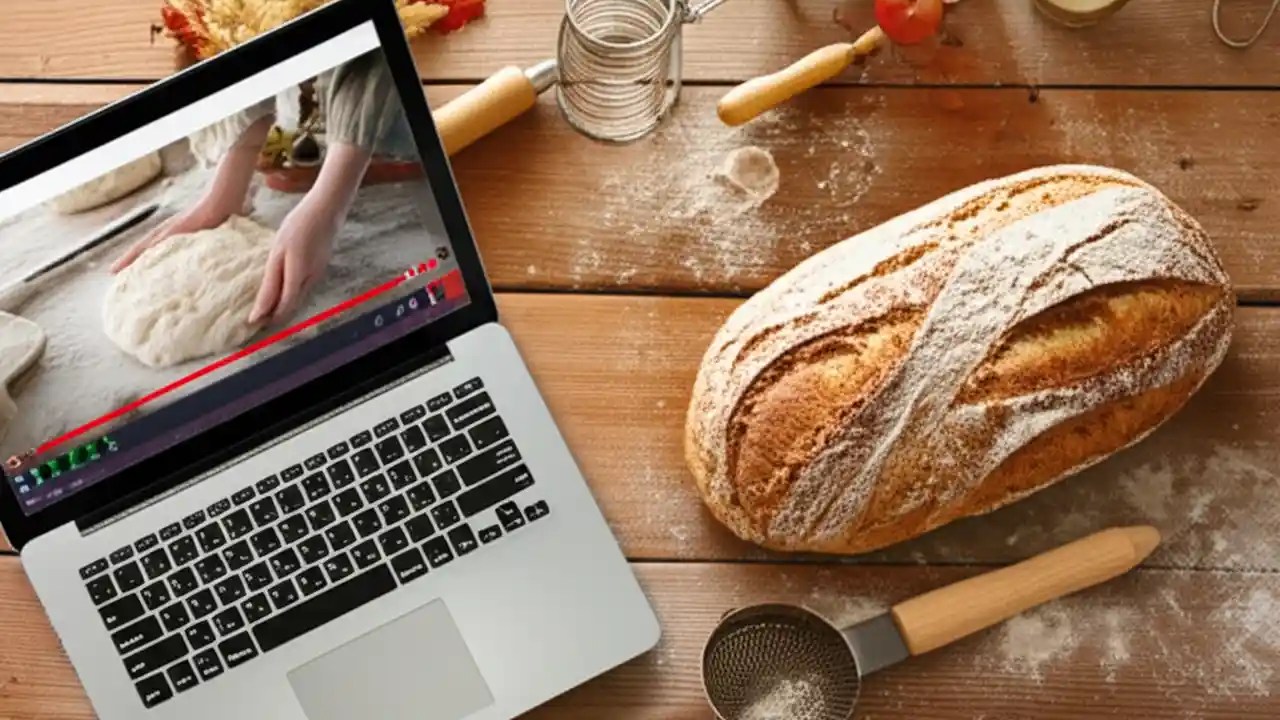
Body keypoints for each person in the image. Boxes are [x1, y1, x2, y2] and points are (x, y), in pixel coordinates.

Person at [111, 51, 414, 325]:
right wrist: (228, 185)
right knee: (277, 167)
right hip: (294, 119)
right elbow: (249, 41)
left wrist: (327, 203)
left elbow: (369, 55)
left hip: (391, 116)